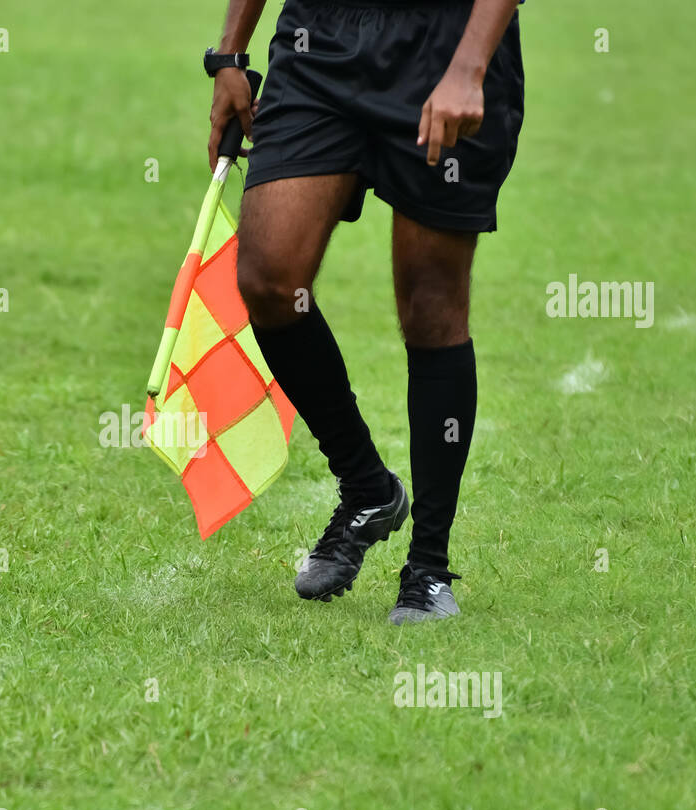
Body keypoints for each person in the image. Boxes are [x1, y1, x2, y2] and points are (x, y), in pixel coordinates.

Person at [204, 0, 525, 622]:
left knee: (430, 306)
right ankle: (367, 487)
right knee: (270, 280)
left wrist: (468, 68)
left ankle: (429, 567)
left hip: (445, 45)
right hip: (319, 42)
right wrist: (230, 56)